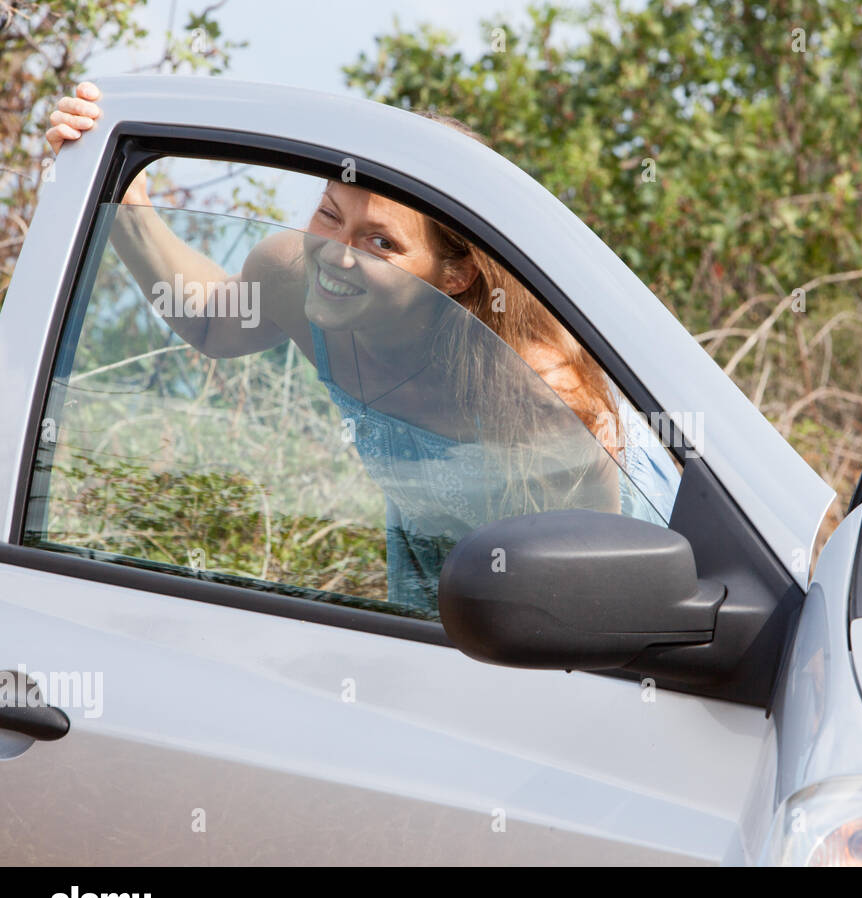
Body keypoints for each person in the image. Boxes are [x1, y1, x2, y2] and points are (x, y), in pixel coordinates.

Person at [46, 82, 681, 611]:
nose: (336, 254)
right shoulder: (293, 275)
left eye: (381, 243)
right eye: (330, 214)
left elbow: (599, 588)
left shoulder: (537, 386)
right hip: (439, 546)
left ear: (455, 274)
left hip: (614, 555)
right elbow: (214, 319)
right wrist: (123, 197)